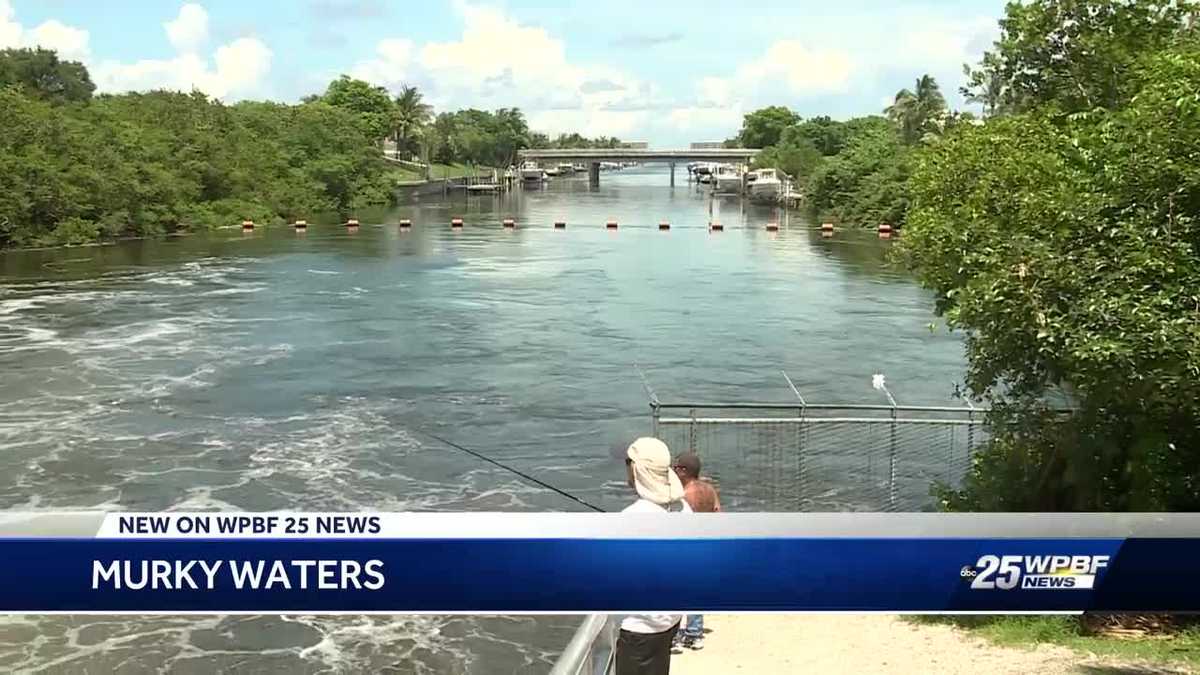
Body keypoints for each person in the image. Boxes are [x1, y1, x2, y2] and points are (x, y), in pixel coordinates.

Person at [617, 437, 691, 675]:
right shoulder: (683, 509)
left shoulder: (631, 518)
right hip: (670, 620)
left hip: (639, 628)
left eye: (628, 462)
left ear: (637, 469)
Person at [671, 452, 720, 652]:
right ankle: (694, 633)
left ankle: (674, 636)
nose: (673, 470)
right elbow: (718, 513)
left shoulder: (683, 495)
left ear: (684, 471)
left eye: (676, 467)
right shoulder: (709, 490)